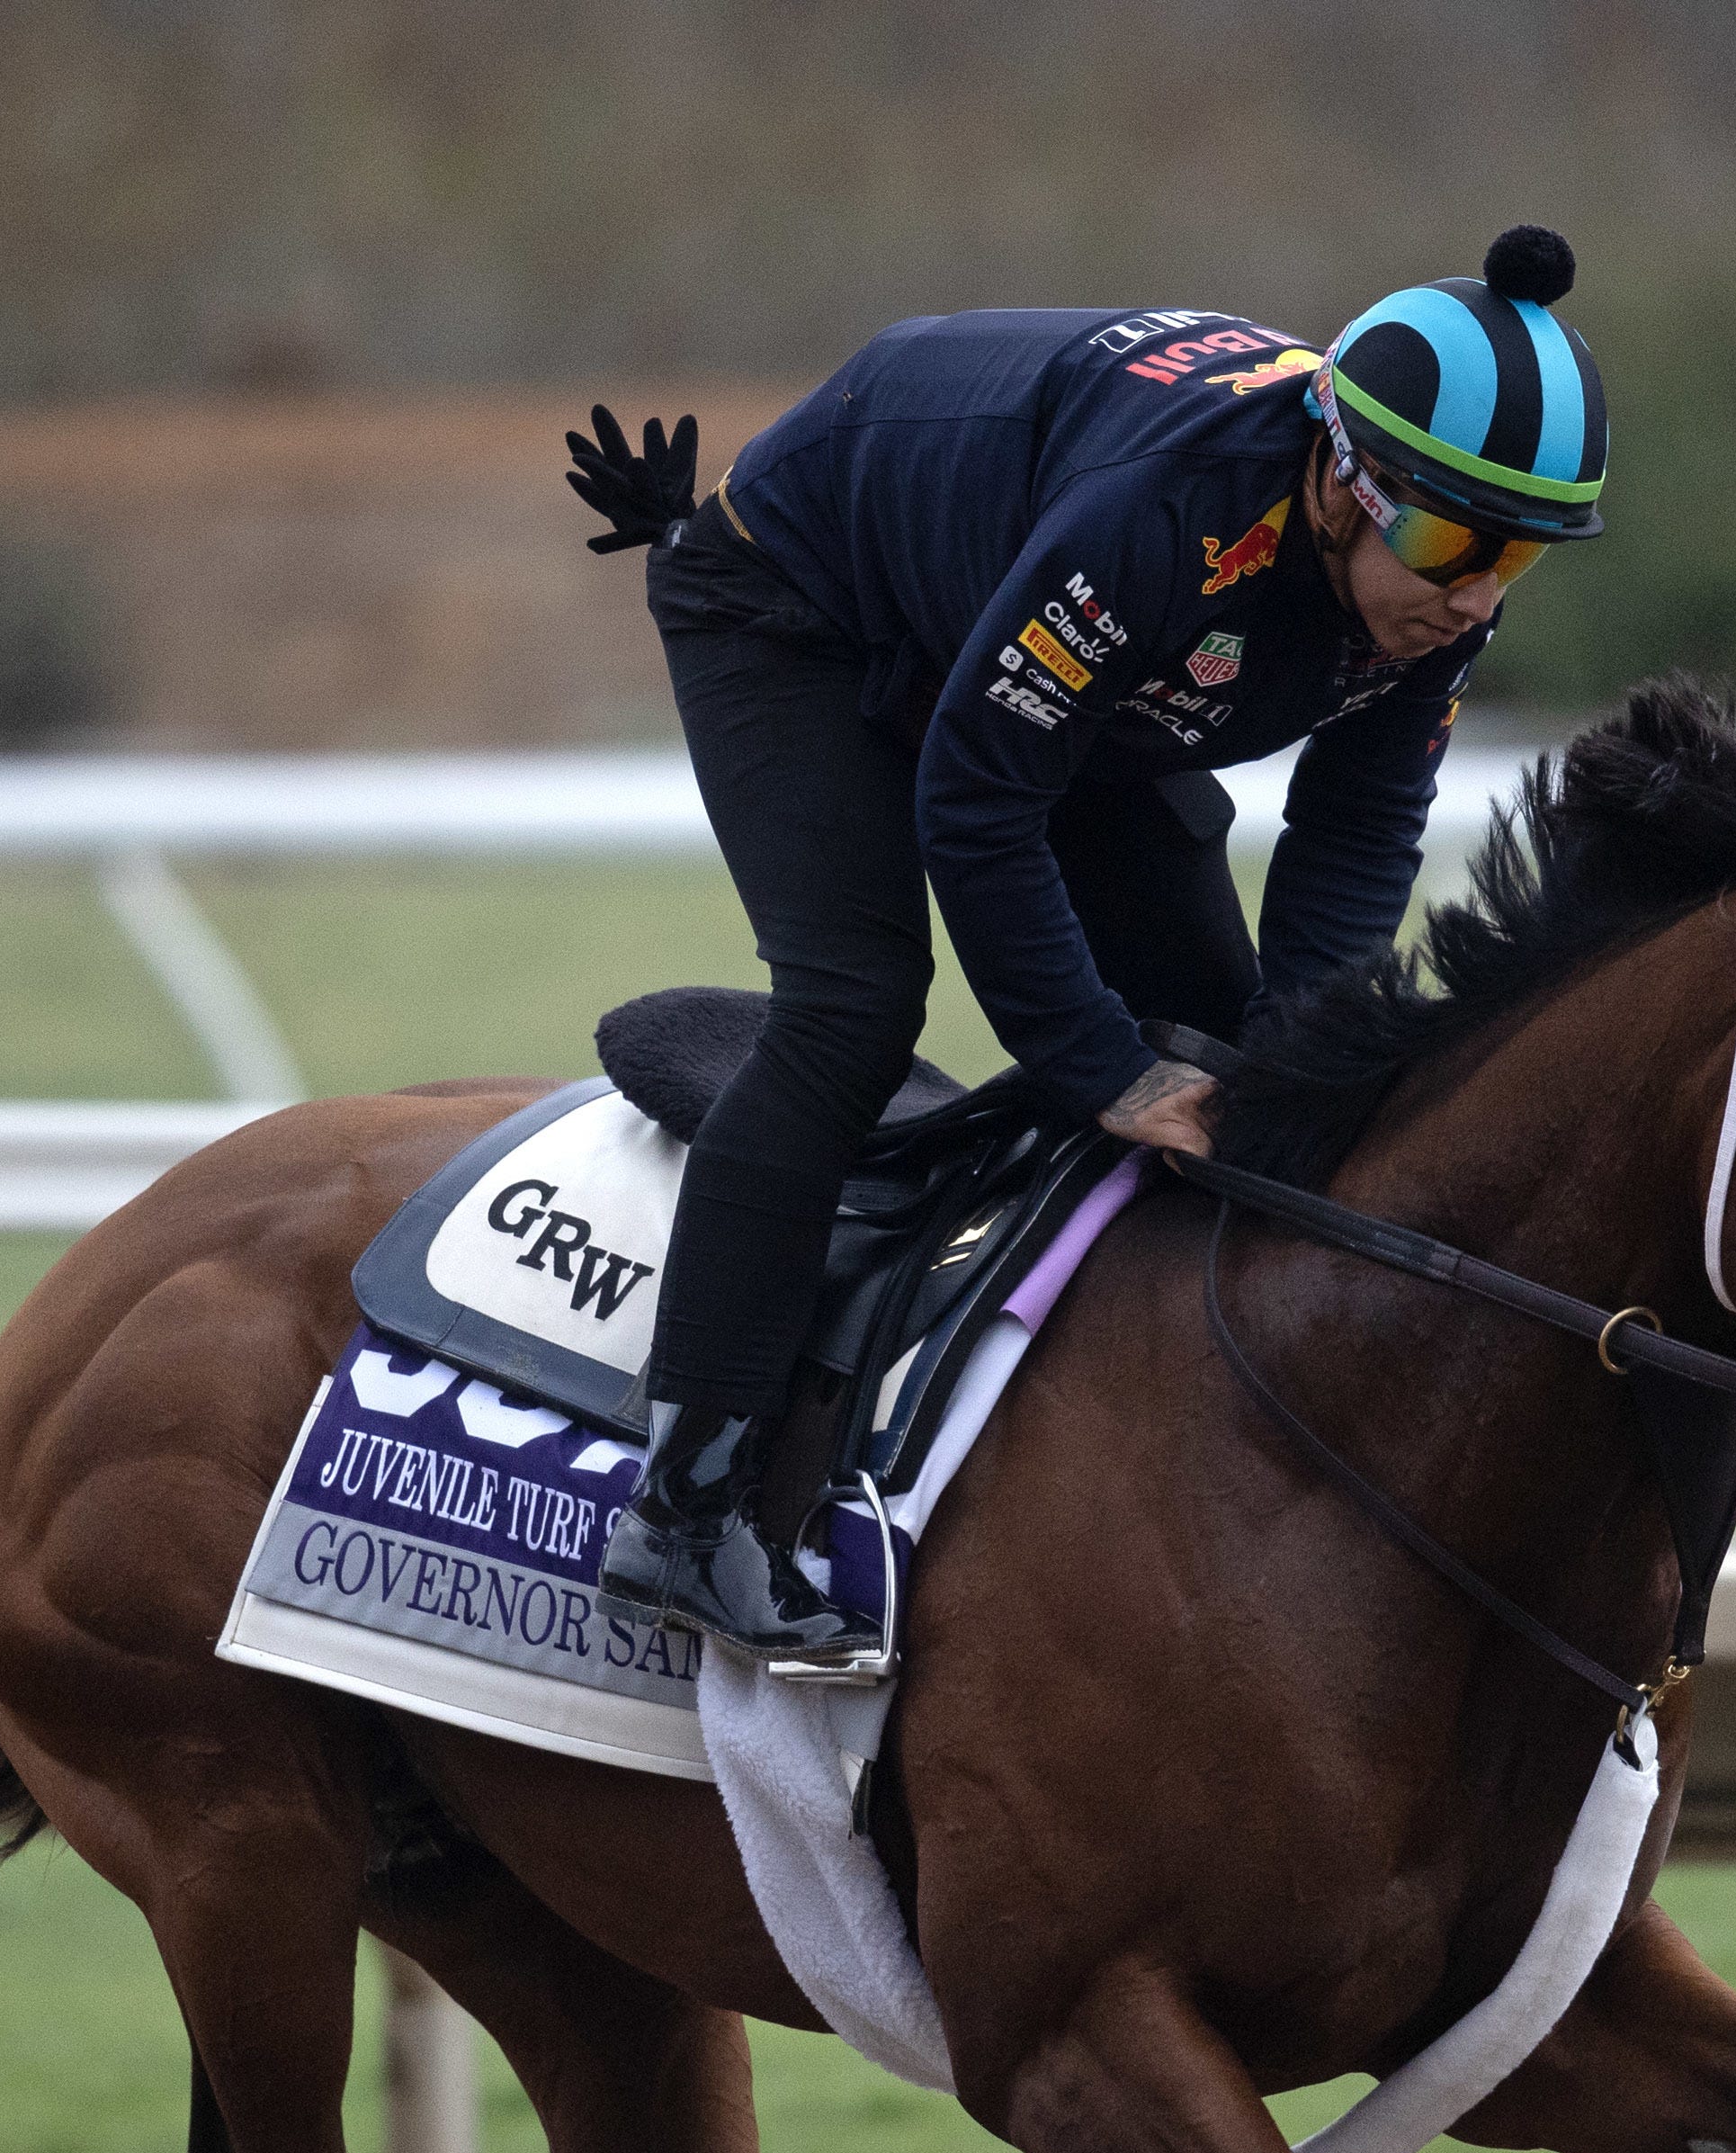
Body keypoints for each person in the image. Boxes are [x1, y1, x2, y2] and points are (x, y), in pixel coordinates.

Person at [575, 224, 1612, 1658]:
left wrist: (1290, 1074)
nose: (1478, 594)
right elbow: (978, 803)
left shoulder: (1433, 588)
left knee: (1232, 1050)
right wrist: (1099, 1075)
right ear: (1337, 475)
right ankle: (683, 1511)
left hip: (1028, 614)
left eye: (1521, 560)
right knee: (858, 1007)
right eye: (1449, 544)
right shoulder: (1166, 518)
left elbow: (1358, 830)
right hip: (801, 607)